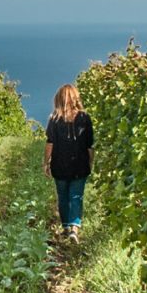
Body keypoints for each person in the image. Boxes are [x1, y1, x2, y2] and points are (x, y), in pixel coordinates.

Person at [42, 84, 94, 243]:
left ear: (58, 99)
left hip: (60, 165)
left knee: (63, 196)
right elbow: (89, 145)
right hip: (80, 164)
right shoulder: (84, 117)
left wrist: (46, 163)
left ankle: (65, 227)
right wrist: (90, 162)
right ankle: (74, 229)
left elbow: (50, 143)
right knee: (76, 196)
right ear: (75, 98)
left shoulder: (54, 118)